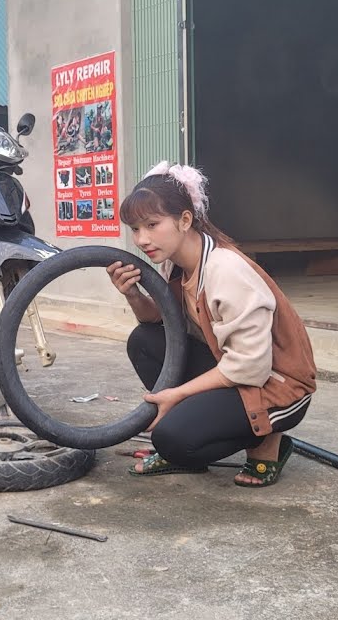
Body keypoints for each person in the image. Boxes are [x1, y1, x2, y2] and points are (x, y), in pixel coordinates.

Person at [106, 163, 316, 487]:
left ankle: (266, 443)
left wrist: (176, 395)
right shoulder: (177, 265)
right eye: (135, 228)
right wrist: (133, 294)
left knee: (172, 439)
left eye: (152, 224)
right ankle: (196, 434)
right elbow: (161, 323)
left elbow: (250, 368)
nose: (142, 239)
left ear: (185, 220)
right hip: (234, 367)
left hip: (277, 384)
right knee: (144, 341)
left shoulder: (225, 270)